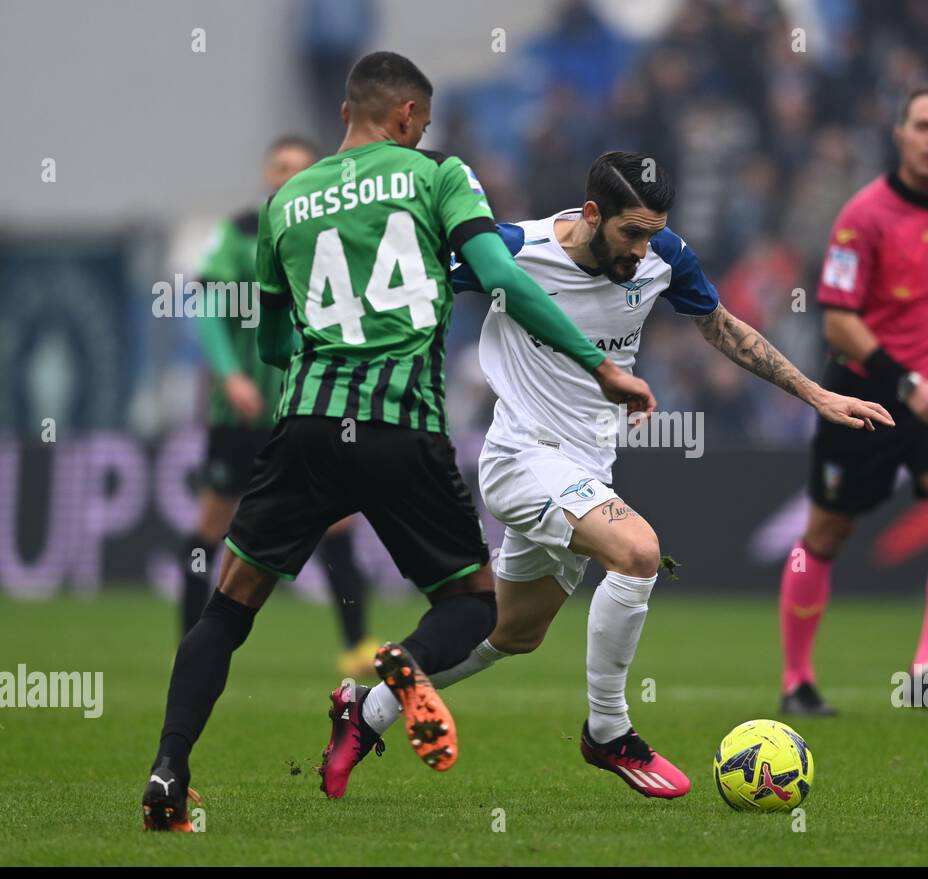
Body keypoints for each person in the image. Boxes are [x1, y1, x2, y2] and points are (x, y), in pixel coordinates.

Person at [142, 52, 654, 830]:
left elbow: (275, 342)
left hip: (307, 424)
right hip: (401, 428)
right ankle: (402, 666)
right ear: (409, 117)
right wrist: (598, 366)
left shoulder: (287, 199)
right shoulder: (436, 173)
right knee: (472, 607)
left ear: (347, 112)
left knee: (228, 609)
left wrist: (319, 357)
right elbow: (503, 277)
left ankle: (168, 774)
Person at [320, 151, 892, 800]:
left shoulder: (663, 256)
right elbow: (409, 286)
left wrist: (815, 394)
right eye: (631, 233)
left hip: (587, 465)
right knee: (639, 551)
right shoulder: (515, 250)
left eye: (653, 233)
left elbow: (720, 326)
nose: (643, 249)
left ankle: (363, 713)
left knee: (510, 635)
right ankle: (609, 732)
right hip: (520, 456)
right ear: (592, 214)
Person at [777, 82, 928, 716]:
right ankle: (797, 680)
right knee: (825, 532)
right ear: (899, 134)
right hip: (866, 392)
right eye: (922, 126)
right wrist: (906, 383)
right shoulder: (863, 216)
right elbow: (838, 320)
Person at [184, 135, 378, 678]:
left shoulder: (333, 237)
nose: (288, 175)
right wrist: (231, 377)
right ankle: (190, 640)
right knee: (211, 529)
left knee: (336, 524)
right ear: (268, 173)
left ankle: (356, 645)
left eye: (300, 167)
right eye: (281, 166)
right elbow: (207, 312)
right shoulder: (239, 234)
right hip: (240, 415)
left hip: (308, 409)